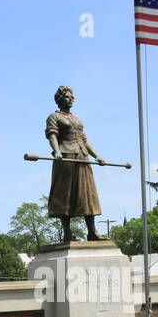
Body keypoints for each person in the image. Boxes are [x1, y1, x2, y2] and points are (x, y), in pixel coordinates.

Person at [45, 85, 106, 241]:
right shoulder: (54, 116)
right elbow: (52, 135)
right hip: (66, 157)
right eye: (67, 96)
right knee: (66, 195)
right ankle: (67, 233)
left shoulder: (76, 119)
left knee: (87, 195)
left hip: (82, 157)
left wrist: (96, 156)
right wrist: (57, 151)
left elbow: (84, 140)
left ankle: (92, 232)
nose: (71, 99)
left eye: (72, 96)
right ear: (59, 99)